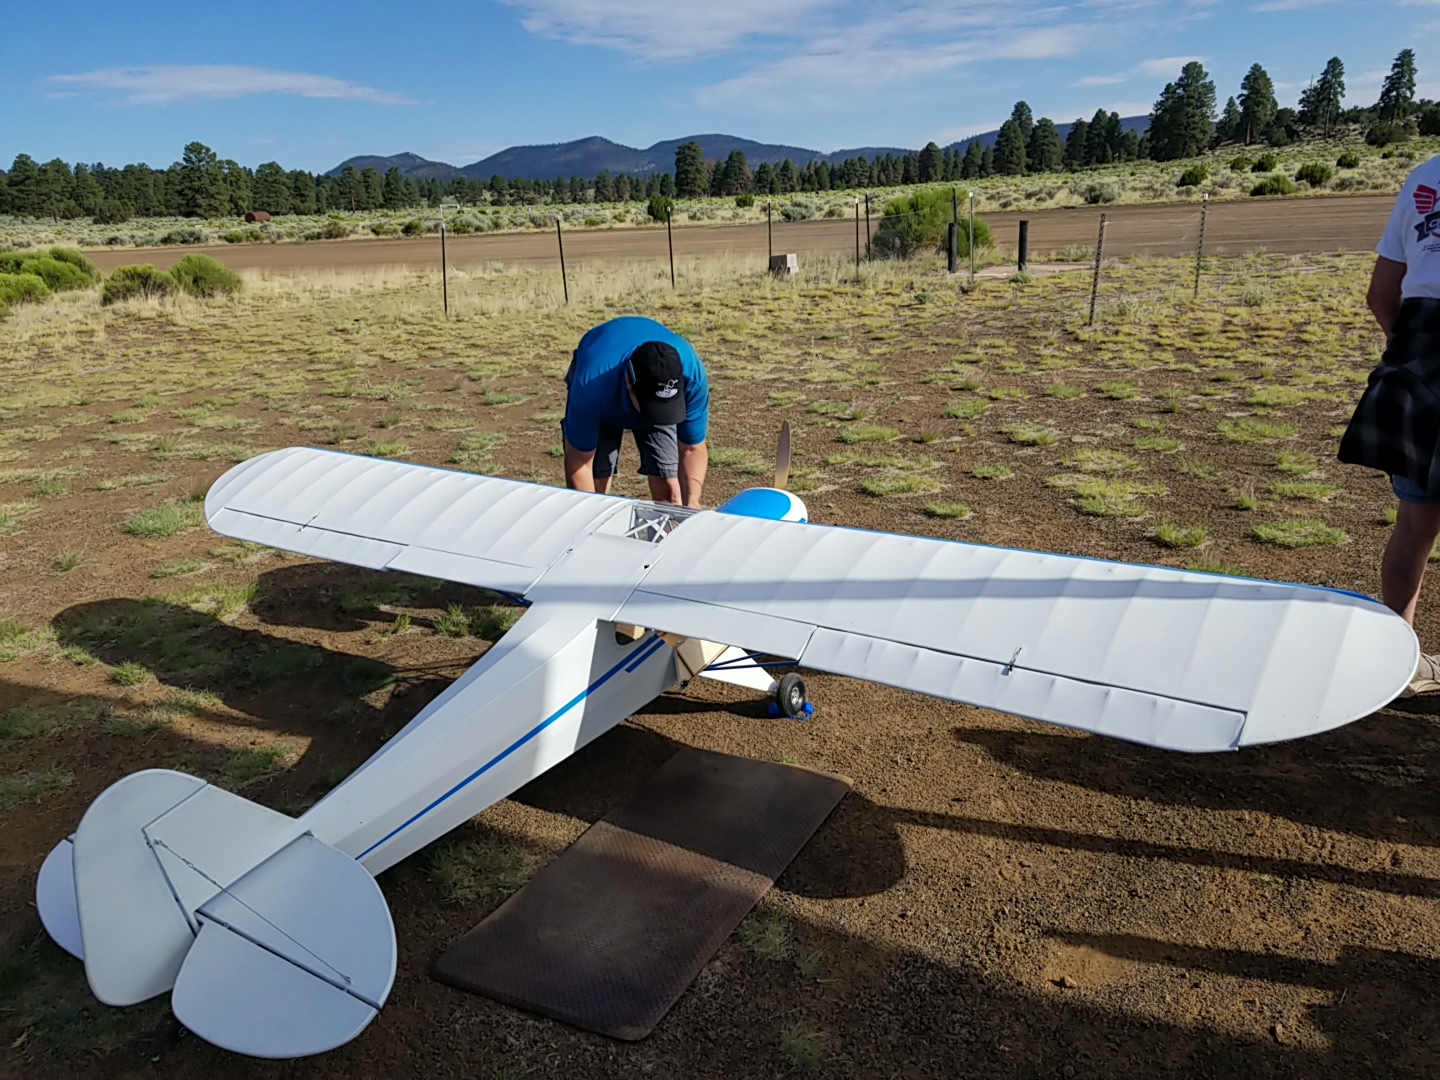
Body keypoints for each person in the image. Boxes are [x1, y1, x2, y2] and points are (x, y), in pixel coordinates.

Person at [1339, 156, 1440, 696]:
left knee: (1414, 526)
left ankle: (1399, 666)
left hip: (1420, 358)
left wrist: (1413, 358)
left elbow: (1382, 293)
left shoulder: (1427, 174)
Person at [559, 315, 710, 509]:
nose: (657, 416)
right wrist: (589, 517)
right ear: (629, 382)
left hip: (636, 386)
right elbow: (579, 465)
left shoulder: (693, 376)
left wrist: (692, 501)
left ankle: (666, 537)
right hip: (603, 393)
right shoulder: (590, 386)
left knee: (671, 494)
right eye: (652, 406)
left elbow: (692, 448)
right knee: (597, 487)